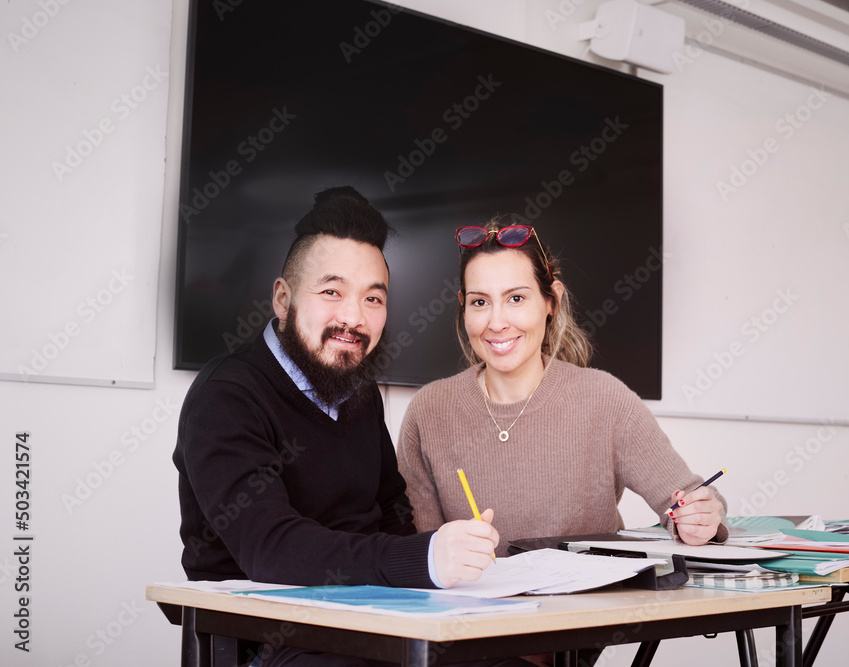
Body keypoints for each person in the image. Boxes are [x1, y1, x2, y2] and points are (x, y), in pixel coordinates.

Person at [173, 187, 500, 667]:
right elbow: (270, 547)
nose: (353, 317)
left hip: (375, 621)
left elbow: (390, 509)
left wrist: (442, 563)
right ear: (283, 299)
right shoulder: (226, 396)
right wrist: (422, 559)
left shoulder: (358, 391)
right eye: (331, 292)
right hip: (268, 641)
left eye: (373, 298)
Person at [398, 221, 728, 560]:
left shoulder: (605, 400)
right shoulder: (429, 412)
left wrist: (699, 519)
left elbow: (690, 498)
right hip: (475, 610)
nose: (496, 322)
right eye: (480, 302)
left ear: (551, 301)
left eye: (516, 298)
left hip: (588, 611)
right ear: (463, 306)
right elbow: (419, 549)